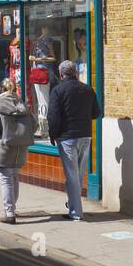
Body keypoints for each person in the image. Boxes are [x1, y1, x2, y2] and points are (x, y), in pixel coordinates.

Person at [47, 59, 101, 221]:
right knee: (78, 174)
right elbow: (96, 113)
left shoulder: (58, 90)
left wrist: (52, 134)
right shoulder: (87, 89)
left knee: (72, 176)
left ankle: (76, 212)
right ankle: (73, 204)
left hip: (67, 137)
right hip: (85, 135)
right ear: (75, 73)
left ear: (61, 73)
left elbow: (53, 116)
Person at [0, 78, 36, 224]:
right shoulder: (23, 105)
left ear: (1, 90)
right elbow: (34, 126)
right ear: (14, 90)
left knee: (6, 179)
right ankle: (12, 209)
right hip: (21, 147)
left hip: (4, 146)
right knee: (14, 177)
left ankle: (10, 213)